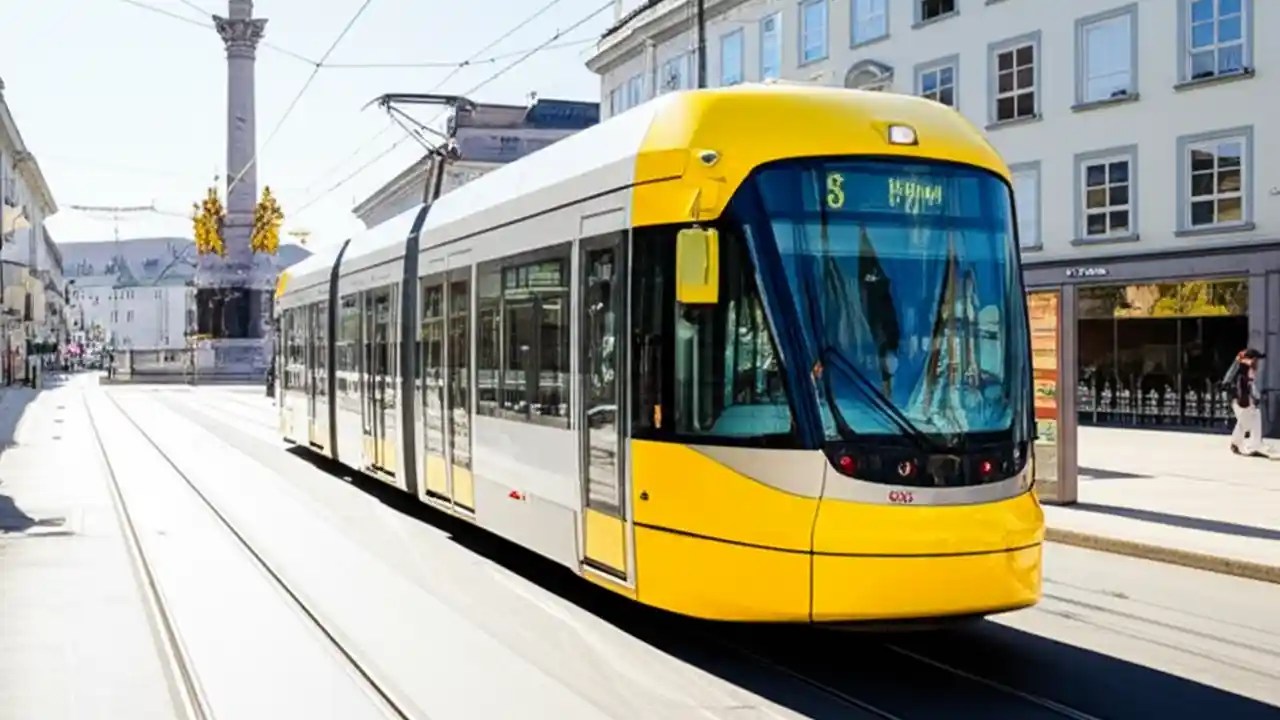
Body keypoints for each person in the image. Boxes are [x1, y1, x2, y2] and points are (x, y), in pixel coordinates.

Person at [1229, 348, 1267, 457]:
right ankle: (1237, 444)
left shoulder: (1248, 372)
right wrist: (1246, 400)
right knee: (1245, 421)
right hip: (1240, 401)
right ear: (1249, 360)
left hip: (1245, 400)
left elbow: (1251, 385)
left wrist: (1256, 397)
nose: (1258, 363)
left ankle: (1255, 445)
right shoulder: (1242, 373)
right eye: (1255, 360)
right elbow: (1241, 387)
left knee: (1254, 417)